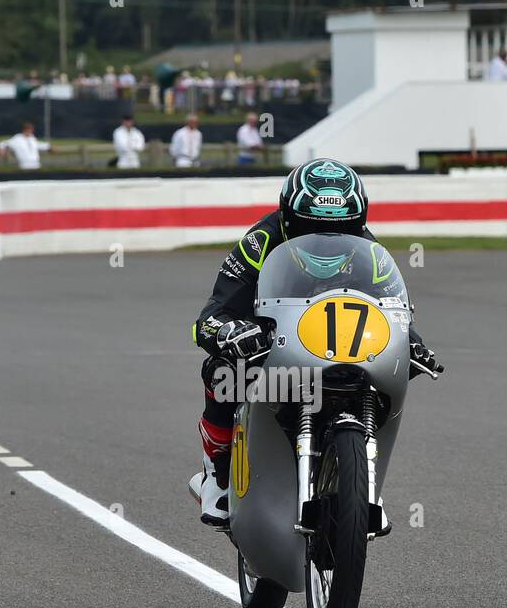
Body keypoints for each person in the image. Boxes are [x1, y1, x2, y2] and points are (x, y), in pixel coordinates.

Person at [188, 158, 445, 527]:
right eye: (311, 228)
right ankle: (218, 472)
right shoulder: (259, 242)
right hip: (272, 343)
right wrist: (228, 331)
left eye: (341, 229)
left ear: (358, 223)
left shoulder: (369, 251)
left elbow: (391, 309)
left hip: (336, 345)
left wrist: (413, 342)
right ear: (288, 219)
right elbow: (209, 317)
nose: (326, 240)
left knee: (391, 374)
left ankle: (364, 478)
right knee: (221, 374)